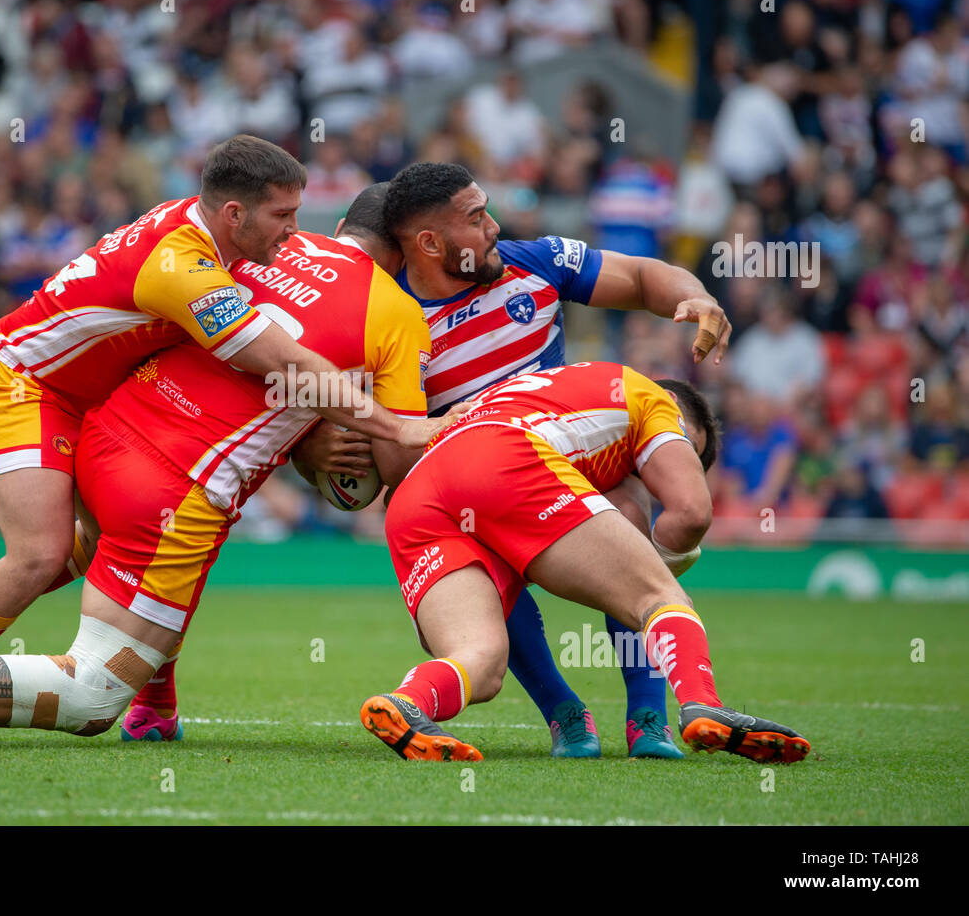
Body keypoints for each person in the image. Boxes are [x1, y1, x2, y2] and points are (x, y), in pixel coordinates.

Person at [0, 185, 441, 750]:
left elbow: (252, 362)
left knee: (98, 554)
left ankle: (150, 708)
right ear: (410, 250)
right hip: (170, 488)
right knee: (92, 694)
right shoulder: (395, 312)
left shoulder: (261, 249)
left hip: (105, 432)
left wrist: (309, 434)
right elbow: (391, 461)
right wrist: (393, 438)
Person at [126, 162, 729, 757]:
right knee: (482, 559)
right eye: (476, 218)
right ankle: (564, 711)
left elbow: (645, 278)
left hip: (563, 453)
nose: (495, 226)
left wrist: (696, 296)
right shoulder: (382, 321)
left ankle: (647, 716)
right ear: (429, 243)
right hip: (461, 485)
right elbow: (307, 420)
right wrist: (312, 449)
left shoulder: (533, 263)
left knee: (627, 507)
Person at [362, 361, 810, 765]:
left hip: (417, 494)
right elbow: (693, 512)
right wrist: (660, 567)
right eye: (687, 451)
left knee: (480, 661)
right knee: (659, 596)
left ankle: (406, 703)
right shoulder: (652, 398)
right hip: (504, 459)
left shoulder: (551, 393)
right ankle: (702, 702)